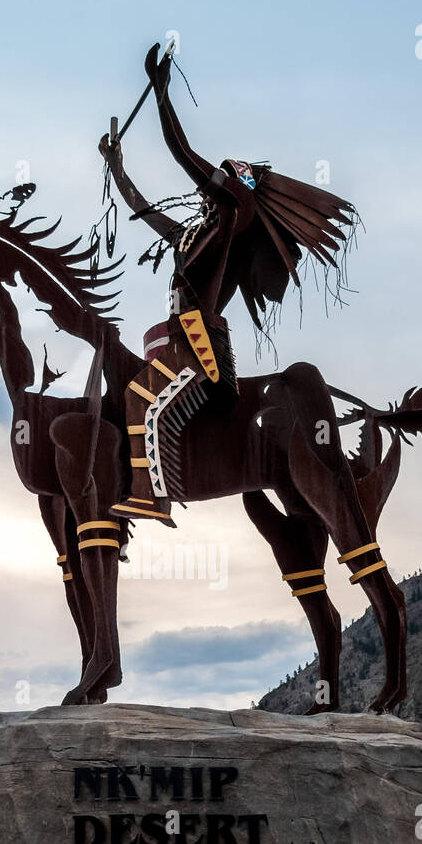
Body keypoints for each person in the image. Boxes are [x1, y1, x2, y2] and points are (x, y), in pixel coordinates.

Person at [100, 43, 357, 525]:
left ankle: (149, 496)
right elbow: (142, 209)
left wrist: (162, 95)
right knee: (133, 393)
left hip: (200, 346)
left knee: (139, 397)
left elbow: (182, 154)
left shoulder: (231, 223)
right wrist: (117, 167)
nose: (225, 173)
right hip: (178, 339)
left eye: (235, 175)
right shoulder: (191, 237)